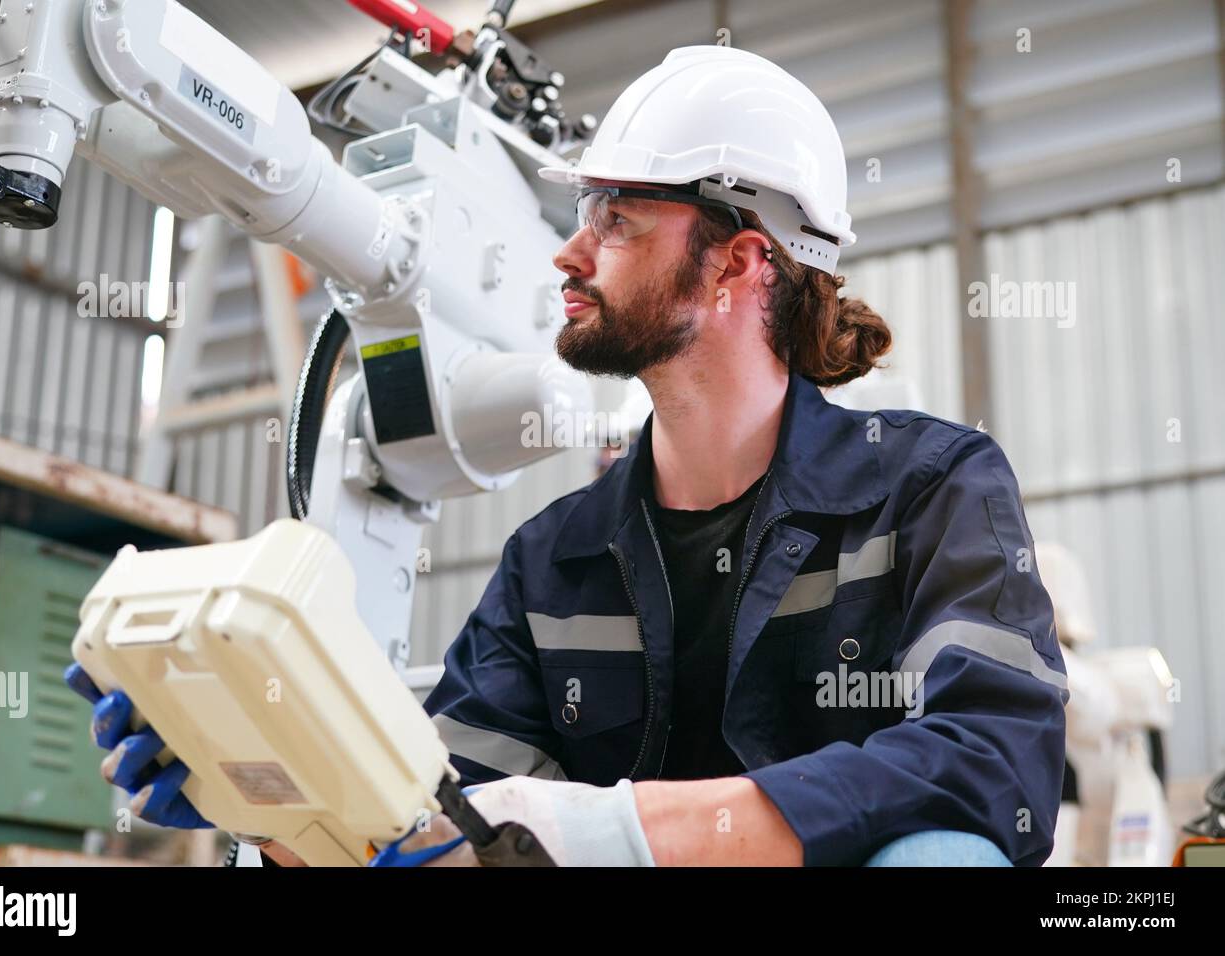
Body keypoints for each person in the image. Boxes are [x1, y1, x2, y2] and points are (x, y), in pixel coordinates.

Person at [68, 44, 1068, 867]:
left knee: (944, 858)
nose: (569, 251)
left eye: (618, 218)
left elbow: (992, 762)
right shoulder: (554, 558)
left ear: (737, 261)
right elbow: (426, 815)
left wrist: (611, 828)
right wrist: (261, 777)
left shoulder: (930, 487)